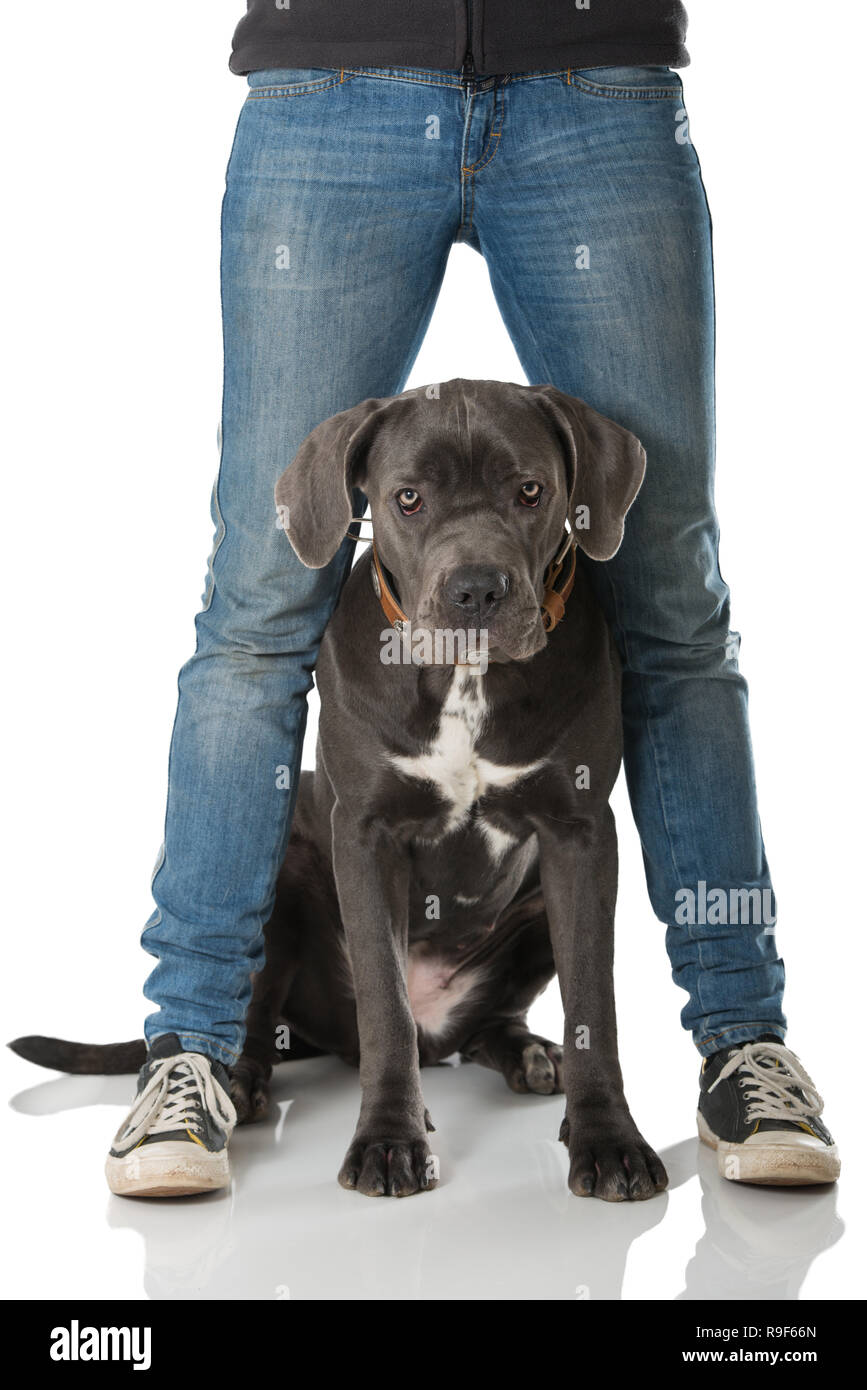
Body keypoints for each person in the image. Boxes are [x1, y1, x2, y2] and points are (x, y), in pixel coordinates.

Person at [105, 1, 839, 1197]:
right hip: (330, 74)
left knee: (670, 602)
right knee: (257, 601)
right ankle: (193, 1047)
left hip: (591, 69)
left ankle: (741, 1035)